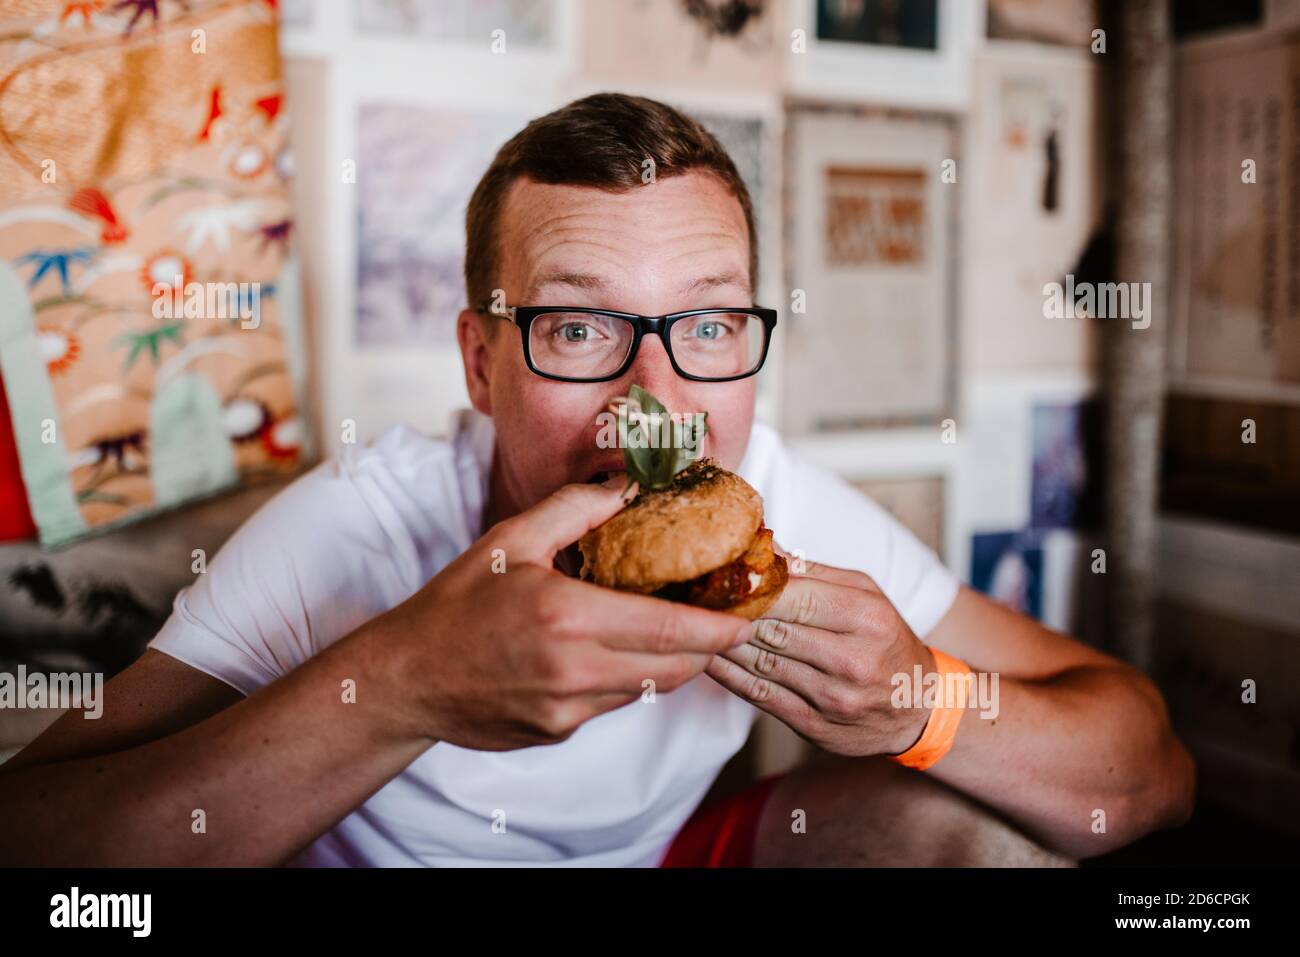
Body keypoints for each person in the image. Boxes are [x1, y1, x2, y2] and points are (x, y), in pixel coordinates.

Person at [0, 93, 1194, 867]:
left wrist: (919, 706)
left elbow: (1148, 775)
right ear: (481, 363)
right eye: (578, 330)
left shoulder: (775, 504)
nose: (659, 404)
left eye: (708, 326)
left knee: (964, 835)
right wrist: (404, 678)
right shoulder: (353, 529)